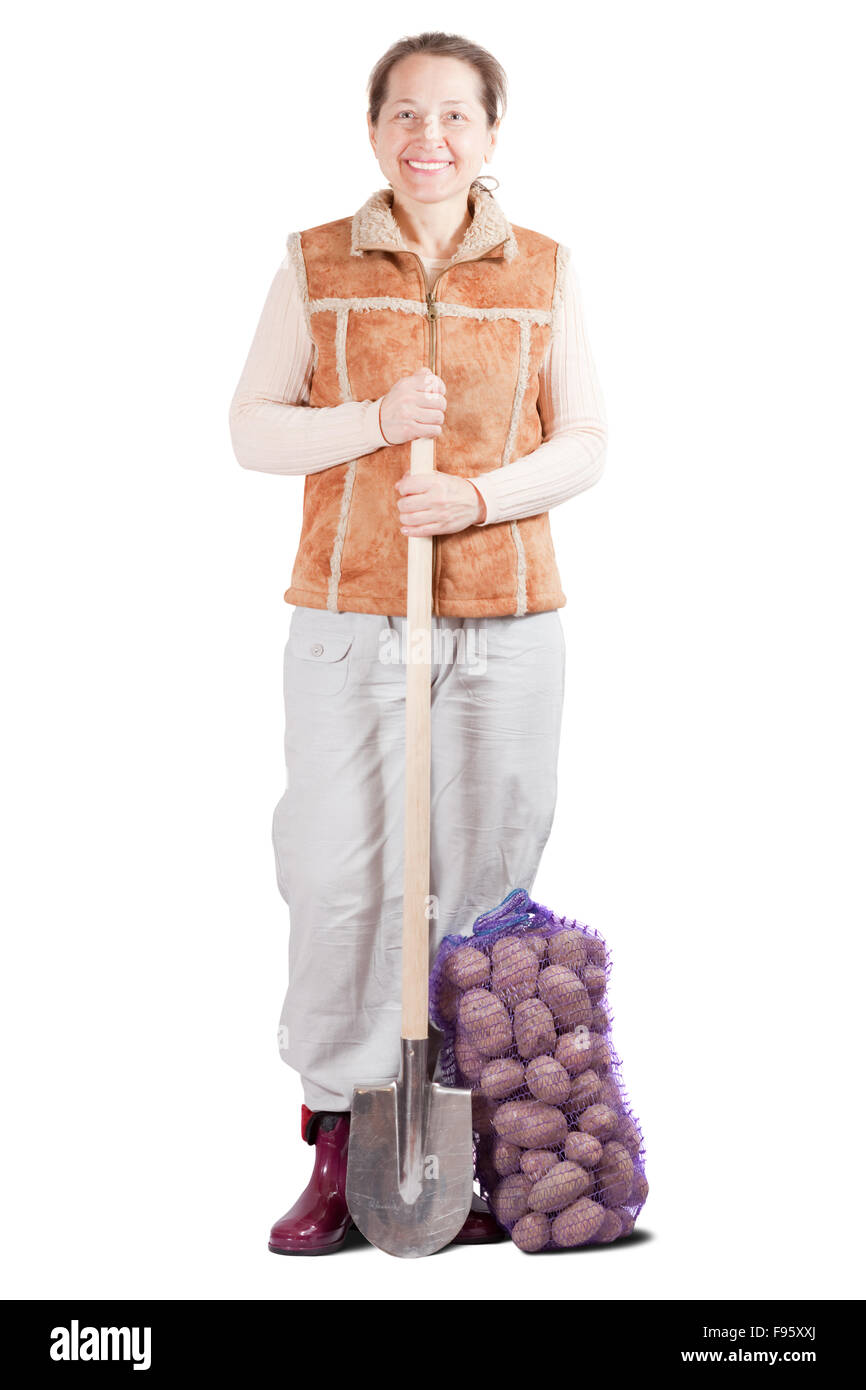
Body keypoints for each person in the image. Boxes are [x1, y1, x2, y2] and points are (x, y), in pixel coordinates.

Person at [228, 30, 607, 1255]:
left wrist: (478, 499)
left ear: (491, 134)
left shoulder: (541, 270)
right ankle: (342, 1136)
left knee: (485, 882)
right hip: (348, 614)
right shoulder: (316, 263)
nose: (425, 137)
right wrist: (373, 421)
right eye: (402, 114)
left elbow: (585, 440)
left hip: (505, 619)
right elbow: (251, 430)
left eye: (453, 116)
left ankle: (484, 1135)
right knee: (339, 876)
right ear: (374, 129)